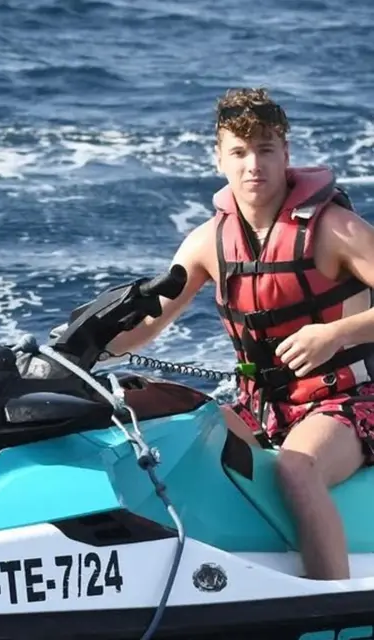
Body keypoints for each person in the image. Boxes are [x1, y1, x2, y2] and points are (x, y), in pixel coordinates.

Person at [106, 87, 374, 581]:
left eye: (266, 150)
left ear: (286, 154)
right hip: (262, 406)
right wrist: (87, 346)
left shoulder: (336, 230)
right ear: (219, 159)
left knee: (296, 466)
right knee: (168, 433)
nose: (254, 165)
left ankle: (331, 602)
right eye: (240, 152)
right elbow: (149, 323)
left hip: (348, 401)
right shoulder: (208, 241)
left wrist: (335, 333)